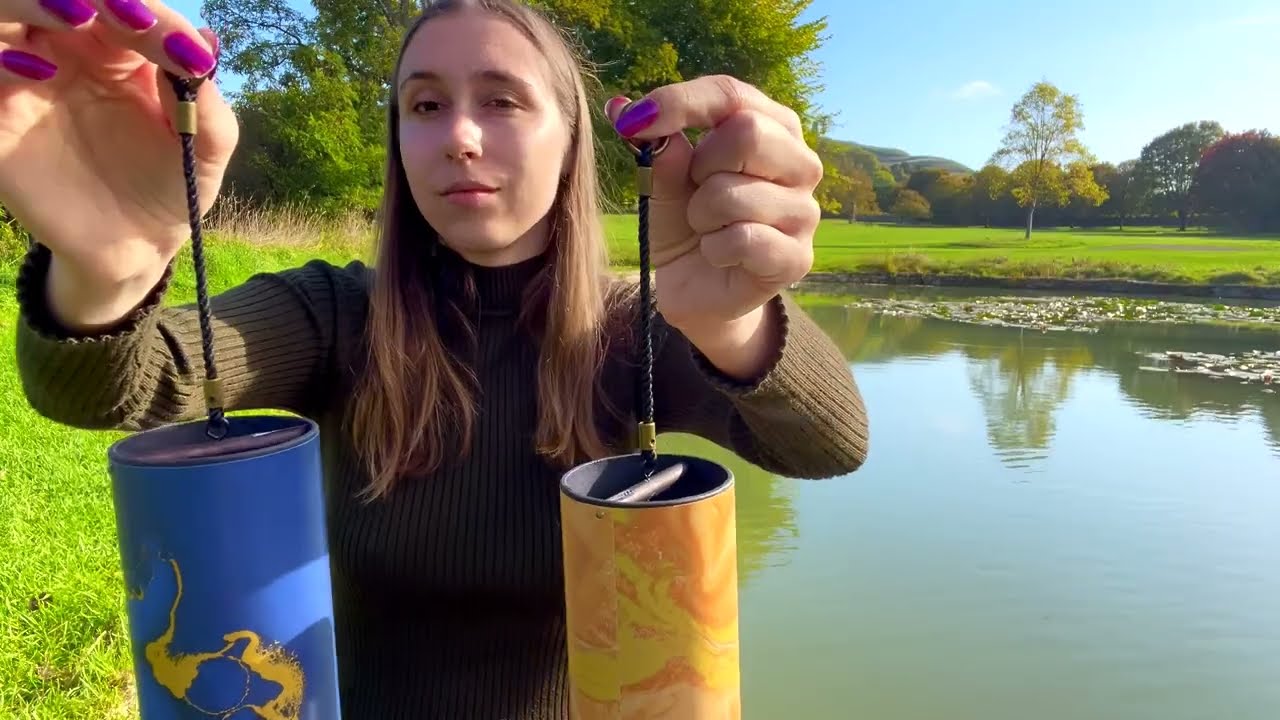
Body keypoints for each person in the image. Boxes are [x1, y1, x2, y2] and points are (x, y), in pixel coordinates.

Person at [3, 0, 870, 716]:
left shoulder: (636, 329)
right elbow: (116, 385)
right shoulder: (333, 313)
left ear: (572, 141)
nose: (458, 136)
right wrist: (109, 266)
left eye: (501, 101)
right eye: (424, 105)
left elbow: (829, 445)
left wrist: (735, 321)